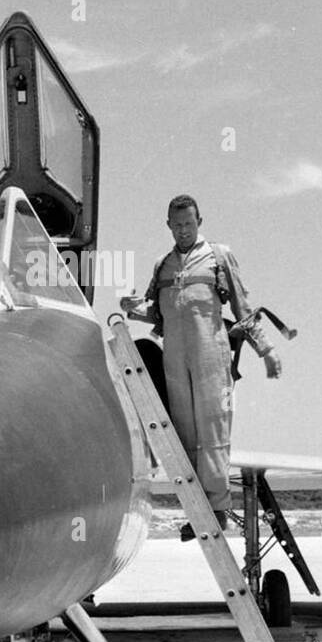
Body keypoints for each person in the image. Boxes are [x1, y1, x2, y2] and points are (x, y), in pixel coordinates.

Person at [120, 195, 281, 539]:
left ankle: (219, 510)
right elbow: (156, 312)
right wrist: (132, 308)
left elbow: (243, 309)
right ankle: (198, 511)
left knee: (213, 434)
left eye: (188, 224)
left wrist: (265, 349)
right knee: (185, 436)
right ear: (168, 226)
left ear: (199, 222)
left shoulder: (219, 257)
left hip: (212, 354)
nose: (182, 231)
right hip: (174, 358)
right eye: (176, 225)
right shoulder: (162, 265)